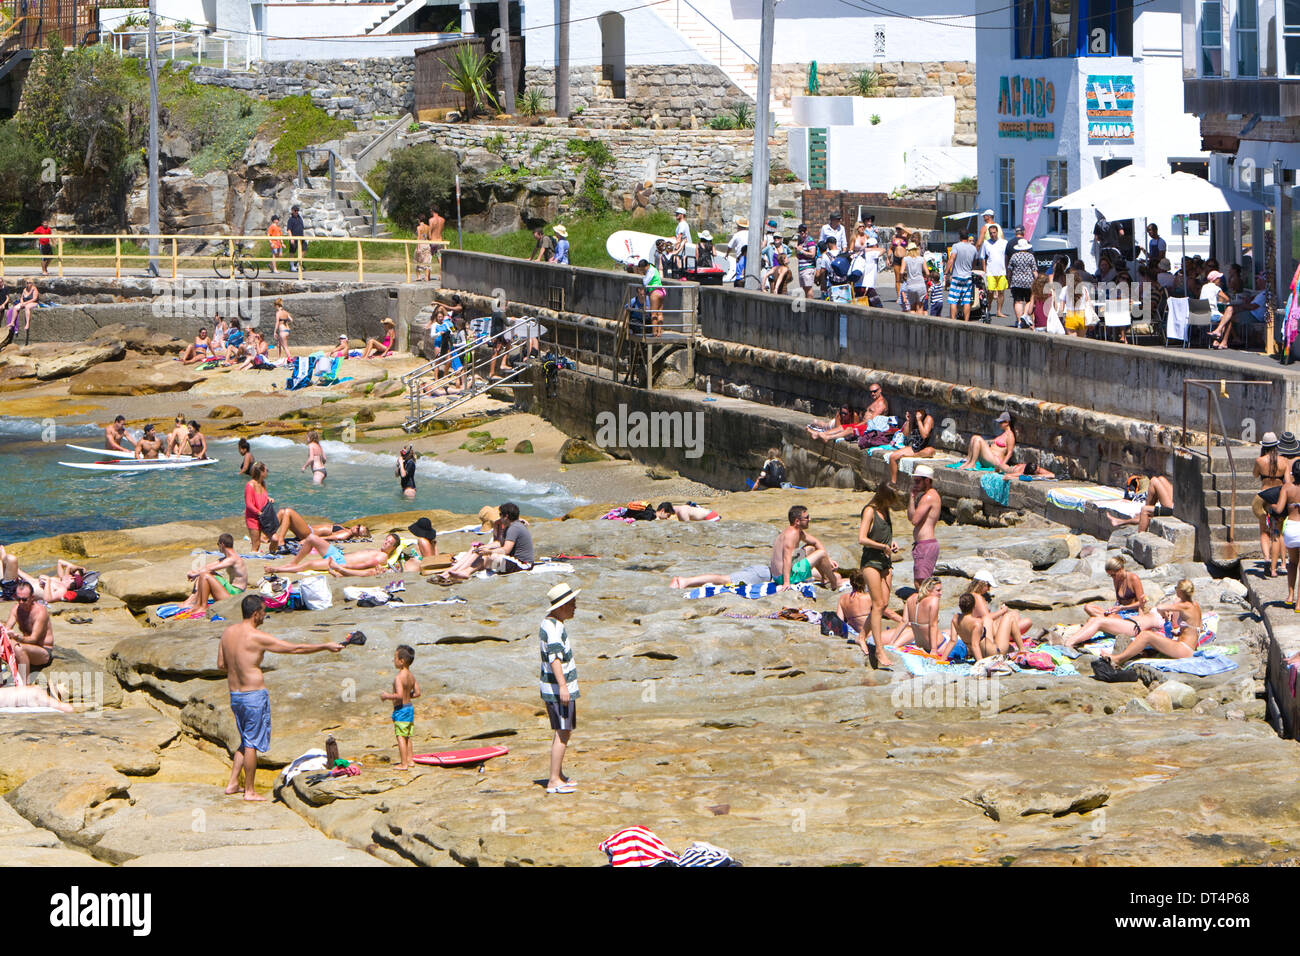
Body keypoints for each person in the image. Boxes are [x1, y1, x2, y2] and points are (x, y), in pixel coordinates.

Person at [217, 594, 342, 800]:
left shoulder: (227, 633)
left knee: (245, 739)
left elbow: (221, 665)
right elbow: (295, 648)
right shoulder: (258, 637)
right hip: (253, 696)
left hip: (235, 695)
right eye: (264, 611)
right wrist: (325, 646)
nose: (265, 615)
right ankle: (249, 790)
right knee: (251, 744)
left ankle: (232, 784)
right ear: (256, 613)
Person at [669, 505, 841, 590]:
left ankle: (827, 578)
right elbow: (788, 557)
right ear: (797, 521)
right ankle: (834, 584)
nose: (809, 520)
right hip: (780, 576)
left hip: (767, 571)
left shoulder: (796, 532)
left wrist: (827, 560)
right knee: (820, 554)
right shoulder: (792, 535)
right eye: (806, 518)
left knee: (813, 551)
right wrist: (787, 583)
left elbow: (815, 543)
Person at [1100, 580, 1202, 666]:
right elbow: (1198, 627)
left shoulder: (1184, 605)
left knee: (1146, 635)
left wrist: (1166, 610)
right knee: (1150, 639)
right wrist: (1182, 632)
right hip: (1188, 647)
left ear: (1180, 592)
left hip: (1183, 649)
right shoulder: (1195, 605)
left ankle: (1118, 659)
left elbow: (1160, 607)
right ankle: (1124, 657)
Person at [539, 582, 580, 794]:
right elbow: (555, 658)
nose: (575, 607)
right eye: (572, 603)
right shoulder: (553, 628)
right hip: (557, 690)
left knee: (563, 731)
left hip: (554, 689)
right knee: (563, 732)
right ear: (561, 606)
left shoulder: (551, 624)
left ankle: (559, 774)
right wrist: (563, 686)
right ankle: (554, 779)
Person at [436, 503, 533, 581]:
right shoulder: (512, 526)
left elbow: (506, 550)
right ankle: (457, 572)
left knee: (489, 556)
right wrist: (485, 547)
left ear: (506, 516)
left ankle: (464, 572)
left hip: (521, 565)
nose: (499, 518)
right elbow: (499, 543)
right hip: (511, 563)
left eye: (500, 515)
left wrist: (489, 551)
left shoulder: (514, 528)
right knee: (480, 552)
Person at [857, 486, 899, 667]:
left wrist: (891, 543)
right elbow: (862, 538)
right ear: (883, 497)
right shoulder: (869, 511)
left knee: (883, 604)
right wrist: (882, 547)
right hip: (871, 562)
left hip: (885, 562)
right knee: (877, 603)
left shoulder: (886, 511)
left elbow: (884, 536)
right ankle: (879, 650)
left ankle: (861, 635)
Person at [1065, 595, 1166, 652]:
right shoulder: (1159, 611)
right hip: (1129, 621)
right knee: (1093, 619)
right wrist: (1141, 605)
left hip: (1134, 628)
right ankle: (1071, 641)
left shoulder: (1165, 622)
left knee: (1098, 621)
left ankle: (1069, 643)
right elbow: (1142, 616)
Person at [179, 533, 247, 613]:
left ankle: (201, 605)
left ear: (222, 544)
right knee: (205, 573)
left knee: (206, 575)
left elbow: (212, 568)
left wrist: (195, 574)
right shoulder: (228, 558)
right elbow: (208, 566)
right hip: (231, 591)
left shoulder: (233, 558)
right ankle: (194, 602)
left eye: (218, 544)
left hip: (235, 594)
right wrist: (195, 572)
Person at [1254, 432, 1291, 577]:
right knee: (1277, 533)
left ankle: (1267, 559)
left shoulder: (1260, 460)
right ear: (1276, 446)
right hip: (1278, 497)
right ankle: (1275, 568)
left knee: (1264, 531)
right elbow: (1287, 482)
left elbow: (1255, 474)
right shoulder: (1284, 462)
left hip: (1263, 497)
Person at [964, 573, 1032, 651]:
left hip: (985, 629)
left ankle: (1010, 636)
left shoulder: (971, 596)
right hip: (987, 631)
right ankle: (1019, 646)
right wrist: (1002, 611)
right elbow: (987, 618)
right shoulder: (977, 597)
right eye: (988, 586)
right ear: (982, 584)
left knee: (1014, 614)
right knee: (1026, 622)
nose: (988, 589)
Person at [4, 580, 52, 683]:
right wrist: (5, 633)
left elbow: (34, 639)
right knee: (4, 643)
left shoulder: (40, 612)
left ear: (32, 598)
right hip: (26, 645)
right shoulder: (16, 609)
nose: (21, 602)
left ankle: (24, 685)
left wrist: (17, 637)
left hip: (43, 651)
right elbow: (7, 629)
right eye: (18, 599)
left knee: (19, 649)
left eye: (24, 599)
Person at [382, 645, 420, 771]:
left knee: (400, 736)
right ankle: (410, 760)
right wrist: (407, 695)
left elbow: (398, 695)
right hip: (409, 708)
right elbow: (417, 693)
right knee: (407, 735)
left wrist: (387, 696)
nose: (393, 660)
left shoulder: (399, 678)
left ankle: (403, 764)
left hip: (401, 709)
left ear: (402, 661)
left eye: (395, 658)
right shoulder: (411, 676)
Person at [1107, 470, 1175, 533]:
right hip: (1177, 504)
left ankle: (1139, 529)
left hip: (1175, 510)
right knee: (1161, 479)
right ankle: (1137, 518)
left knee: (1145, 509)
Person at [1272, 459, 1300, 607]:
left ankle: (1290, 596)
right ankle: (1299, 604)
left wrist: (1271, 503)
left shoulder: (1287, 488)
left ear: (1293, 473)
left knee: (1292, 563)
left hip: (1291, 529)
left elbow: (1278, 509)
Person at [908, 464, 942, 586]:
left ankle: (924, 604)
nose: (915, 484)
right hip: (923, 545)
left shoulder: (928, 497)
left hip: (926, 545)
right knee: (920, 582)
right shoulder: (928, 495)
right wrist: (912, 497)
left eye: (918, 481)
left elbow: (914, 520)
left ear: (927, 480)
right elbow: (911, 517)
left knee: (921, 583)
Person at [1083, 555, 1145, 619]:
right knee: (1088, 607)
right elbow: (1118, 600)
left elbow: (1142, 602)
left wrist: (1123, 608)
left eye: (1113, 575)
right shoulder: (1116, 579)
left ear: (1120, 569)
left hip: (1132, 612)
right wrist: (1113, 608)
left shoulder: (1133, 578)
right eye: (1110, 575)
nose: (1113, 577)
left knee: (1109, 618)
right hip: (1120, 611)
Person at [887, 409, 935, 487]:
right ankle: (893, 483)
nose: (916, 413)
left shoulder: (928, 419)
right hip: (914, 447)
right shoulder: (913, 418)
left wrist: (919, 421)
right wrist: (908, 421)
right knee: (892, 457)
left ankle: (914, 455)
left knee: (929, 451)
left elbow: (924, 435)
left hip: (925, 447)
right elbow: (905, 434)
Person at [947, 232, 977, 322]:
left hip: (957, 276)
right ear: (967, 237)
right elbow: (975, 261)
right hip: (967, 276)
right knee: (966, 300)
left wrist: (946, 272)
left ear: (959, 236)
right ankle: (966, 321)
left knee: (953, 300)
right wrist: (971, 268)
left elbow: (952, 259)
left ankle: (953, 320)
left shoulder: (956, 246)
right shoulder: (973, 248)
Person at [980, 224, 1009, 318]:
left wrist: (1008, 270)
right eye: (991, 233)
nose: (992, 235)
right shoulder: (986, 243)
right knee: (990, 292)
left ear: (997, 232)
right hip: (990, 272)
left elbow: (1007, 256)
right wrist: (984, 271)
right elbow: (983, 258)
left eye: (994, 232)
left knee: (1001, 292)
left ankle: (999, 311)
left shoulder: (1004, 242)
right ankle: (988, 309)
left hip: (1002, 271)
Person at [1007, 238, 1037, 327]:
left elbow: (1010, 270)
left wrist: (1009, 280)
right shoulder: (1030, 256)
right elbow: (1034, 270)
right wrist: (1037, 280)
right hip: (1028, 281)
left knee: (1018, 301)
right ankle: (1025, 315)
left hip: (1016, 281)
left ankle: (1020, 321)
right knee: (1029, 300)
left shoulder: (1014, 256)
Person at [636, 258, 665, 335]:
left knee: (653, 313)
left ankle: (654, 332)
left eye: (642, 269)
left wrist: (643, 276)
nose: (643, 271)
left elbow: (645, 282)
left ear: (646, 266)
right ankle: (659, 332)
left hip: (655, 292)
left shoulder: (651, 270)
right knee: (660, 313)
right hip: (661, 291)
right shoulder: (654, 268)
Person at [900, 243, 927, 314]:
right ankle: (920, 323)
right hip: (921, 284)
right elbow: (927, 273)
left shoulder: (905, 259)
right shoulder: (922, 259)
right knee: (920, 306)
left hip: (911, 285)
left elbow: (901, 272)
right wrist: (927, 280)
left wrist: (901, 279)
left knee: (912, 307)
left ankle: (913, 323)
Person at [656, 501, 721, 522]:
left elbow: (687, 528)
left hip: (711, 517)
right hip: (710, 513)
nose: (667, 518)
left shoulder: (682, 513)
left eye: (668, 515)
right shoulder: (681, 509)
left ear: (663, 511)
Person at [286, 206, 306, 272]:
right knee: (292, 252)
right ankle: (291, 266)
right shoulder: (291, 219)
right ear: (292, 211)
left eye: (297, 210)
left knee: (304, 249)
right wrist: (291, 238)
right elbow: (289, 230)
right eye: (295, 210)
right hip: (294, 238)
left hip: (301, 238)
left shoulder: (300, 218)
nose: (296, 212)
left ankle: (298, 263)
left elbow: (302, 228)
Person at [672, 207, 692, 271]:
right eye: (676, 213)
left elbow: (679, 236)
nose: (676, 215)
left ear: (682, 215)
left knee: (676, 257)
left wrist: (675, 248)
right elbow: (677, 236)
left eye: (678, 214)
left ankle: (681, 272)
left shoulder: (682, 224)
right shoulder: (681, 224)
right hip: (682, 246)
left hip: (685, 247)